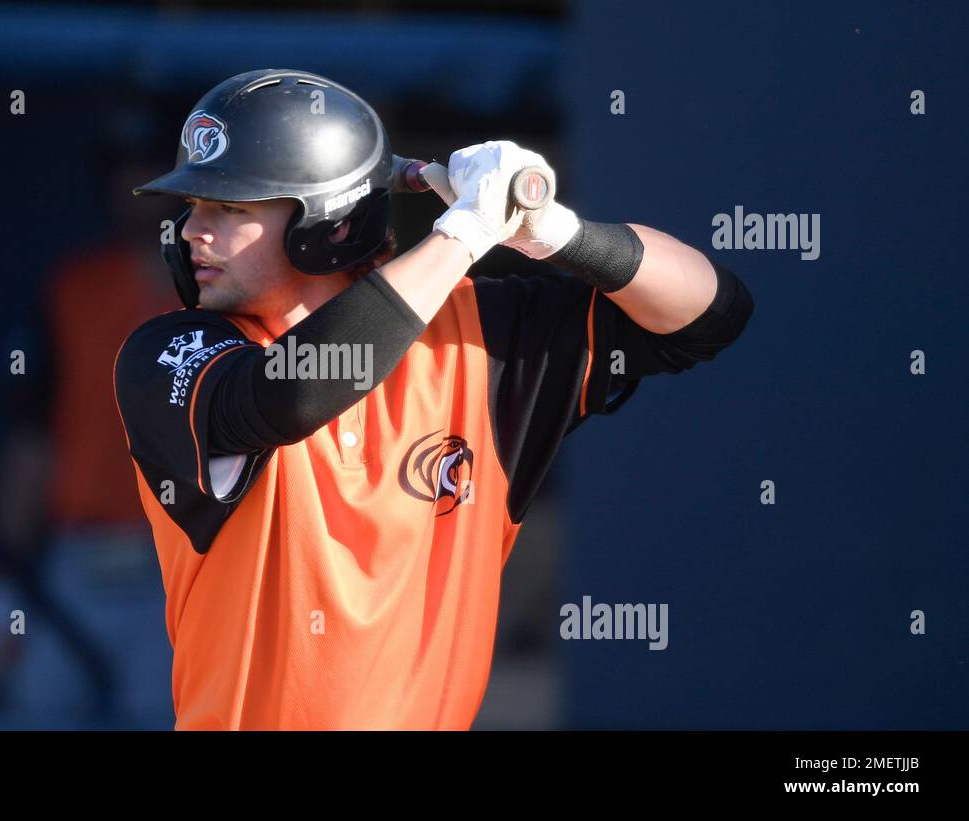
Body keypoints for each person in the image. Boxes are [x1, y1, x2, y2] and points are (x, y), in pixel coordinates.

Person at [113, 69, 753, 730]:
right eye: (194, 204)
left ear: (330, 226)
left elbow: (710, 312)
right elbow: (295, 395)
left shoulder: (480, 335)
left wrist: (558, 233)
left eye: (232, 208)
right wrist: (465, 232)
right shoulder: (173, 349)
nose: (193, 230)